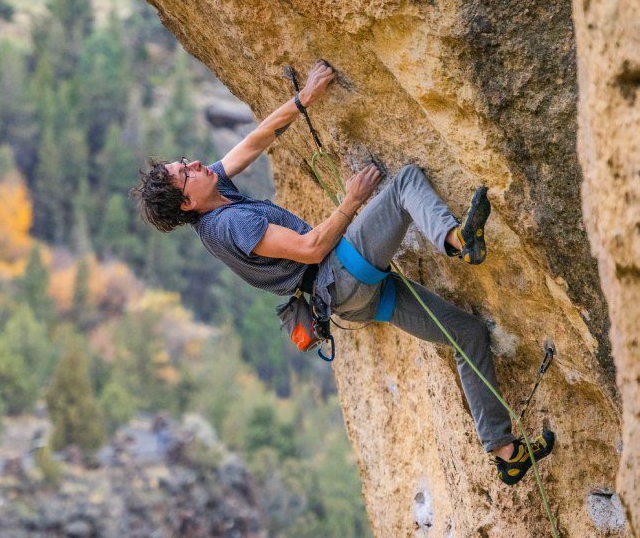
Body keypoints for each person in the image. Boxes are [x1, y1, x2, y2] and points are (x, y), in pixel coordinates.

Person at [131, 61, 554, 485]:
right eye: (184, 173)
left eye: (184, 162)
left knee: (467, 334)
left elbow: (254, 142)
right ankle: (458, 241)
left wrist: (303, 100)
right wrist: (351, 202)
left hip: (348, 299)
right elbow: (311, 250)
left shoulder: (215, 195)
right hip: (339, 276)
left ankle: (506, 451)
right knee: (405, 184)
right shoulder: (230, 225)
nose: (196, 164)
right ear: (186, 203)